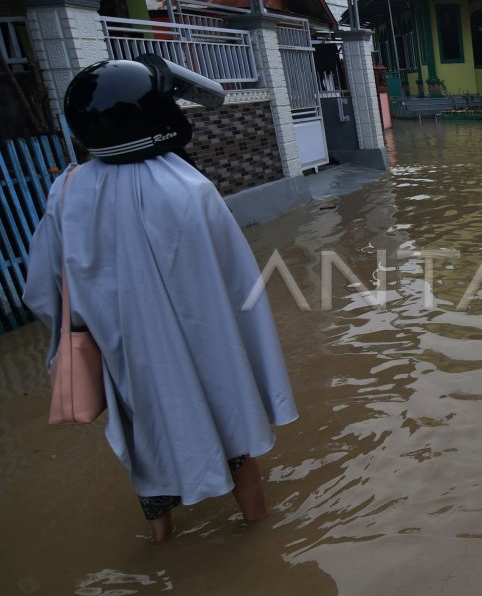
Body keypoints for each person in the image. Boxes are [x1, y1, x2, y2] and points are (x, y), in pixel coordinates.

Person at [23, 55, 298, 543]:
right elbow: (236, 284)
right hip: (206, 349)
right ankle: (258, 532)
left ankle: (163, 546)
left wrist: (100, 326)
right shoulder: (189, 188)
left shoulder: (65, 192)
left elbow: (43, 290)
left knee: (145, 438)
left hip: (128, 355)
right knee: (231, 430)